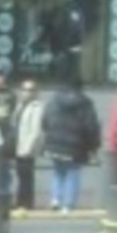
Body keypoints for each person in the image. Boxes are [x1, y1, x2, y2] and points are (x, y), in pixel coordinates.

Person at [41, 78, 100, 212]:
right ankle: (68, 203)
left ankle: (55, 198)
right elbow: (91, 126)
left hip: (54, 142)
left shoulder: (54, 101)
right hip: (76, 145)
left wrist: (50, 135)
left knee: (58, 171)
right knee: (73, 173)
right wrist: (93, 146)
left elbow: (45, 121)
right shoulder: (85, 103)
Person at [10, 79, 44, 211]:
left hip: (26, 147)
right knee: (20, 175)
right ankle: (20, 201)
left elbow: (35, 130)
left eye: (30, 90)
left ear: (35, 92)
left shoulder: (37, 107)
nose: (26, 93)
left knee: (26, 176)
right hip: (18, 144)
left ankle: (26, 202)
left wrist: (28, 148)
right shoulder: (20, 105)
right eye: (24, 89)